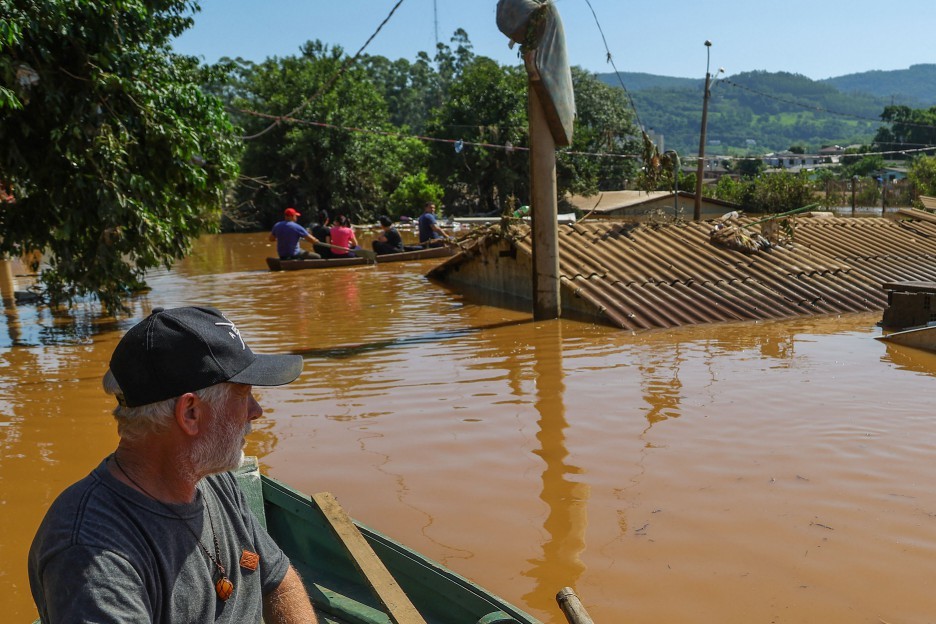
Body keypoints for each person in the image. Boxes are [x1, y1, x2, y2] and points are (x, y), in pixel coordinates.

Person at [28, 306, 318, 624]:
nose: (256, 411)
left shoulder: (210, 477)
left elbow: (278, 581)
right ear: (190, 413)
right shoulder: (91, 552)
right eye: (243, 394)